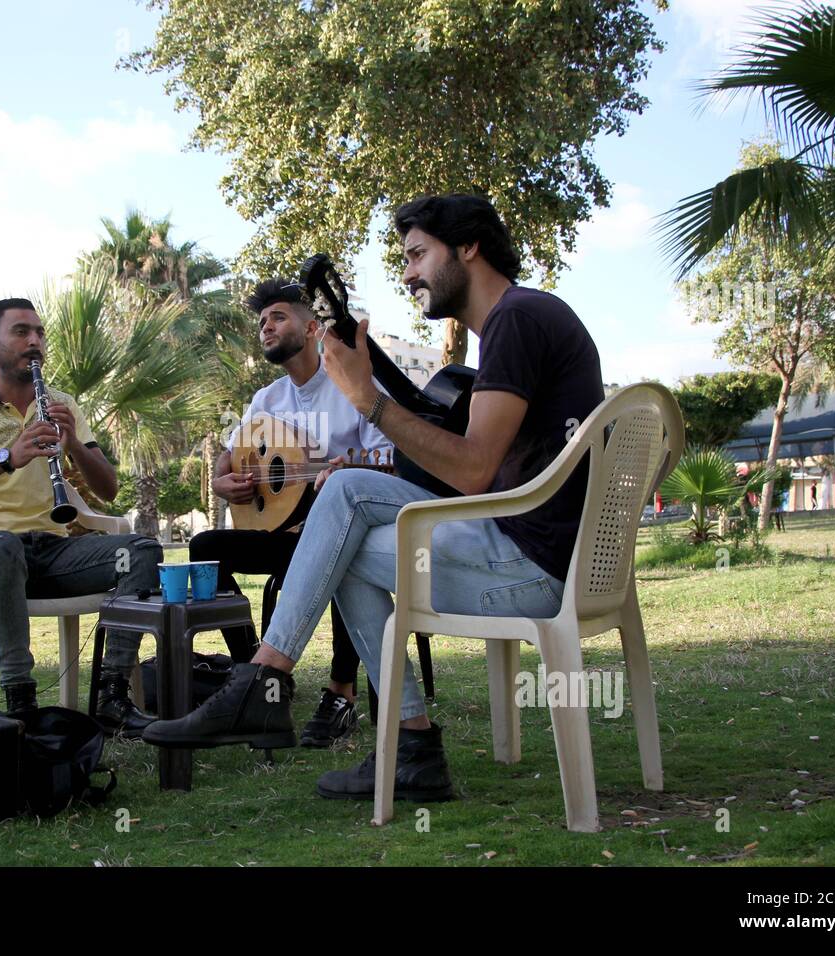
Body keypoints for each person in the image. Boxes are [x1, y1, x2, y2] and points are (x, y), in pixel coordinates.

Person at [144, 194, 605, 803]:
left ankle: (271, 684)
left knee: (345, 507)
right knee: (347, 507)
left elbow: (471, 472)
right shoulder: (524, 317)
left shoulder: (515, 321)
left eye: (417, 254)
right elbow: (469, 468)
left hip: (537, 572)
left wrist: (368, 402)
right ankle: (399, 740)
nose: (409, 272)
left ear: (468, 246)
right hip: (539, 551)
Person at [0, 298, 162, 736]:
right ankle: (22, 702)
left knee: (142, 550)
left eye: (39, 332)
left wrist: (72, 445)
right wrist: (6, 457)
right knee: (2, 545)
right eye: (21, 332)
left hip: (50, 555)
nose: (34, 341)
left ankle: (111, 694)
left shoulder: (62, 403)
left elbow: (108, 489)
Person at [190, 279, 394, 747]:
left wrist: (350, 467)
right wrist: (224, 482)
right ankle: (259, 676)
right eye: (261, 322)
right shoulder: (266, 400)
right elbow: (230, 456)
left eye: (277, 317)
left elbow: (389, 458)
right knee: (204, 548)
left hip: (344, 532)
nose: (266, 327)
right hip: (284, 534)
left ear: (310, 328)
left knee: (348, 551)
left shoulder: (353, 384)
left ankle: (340, 693)